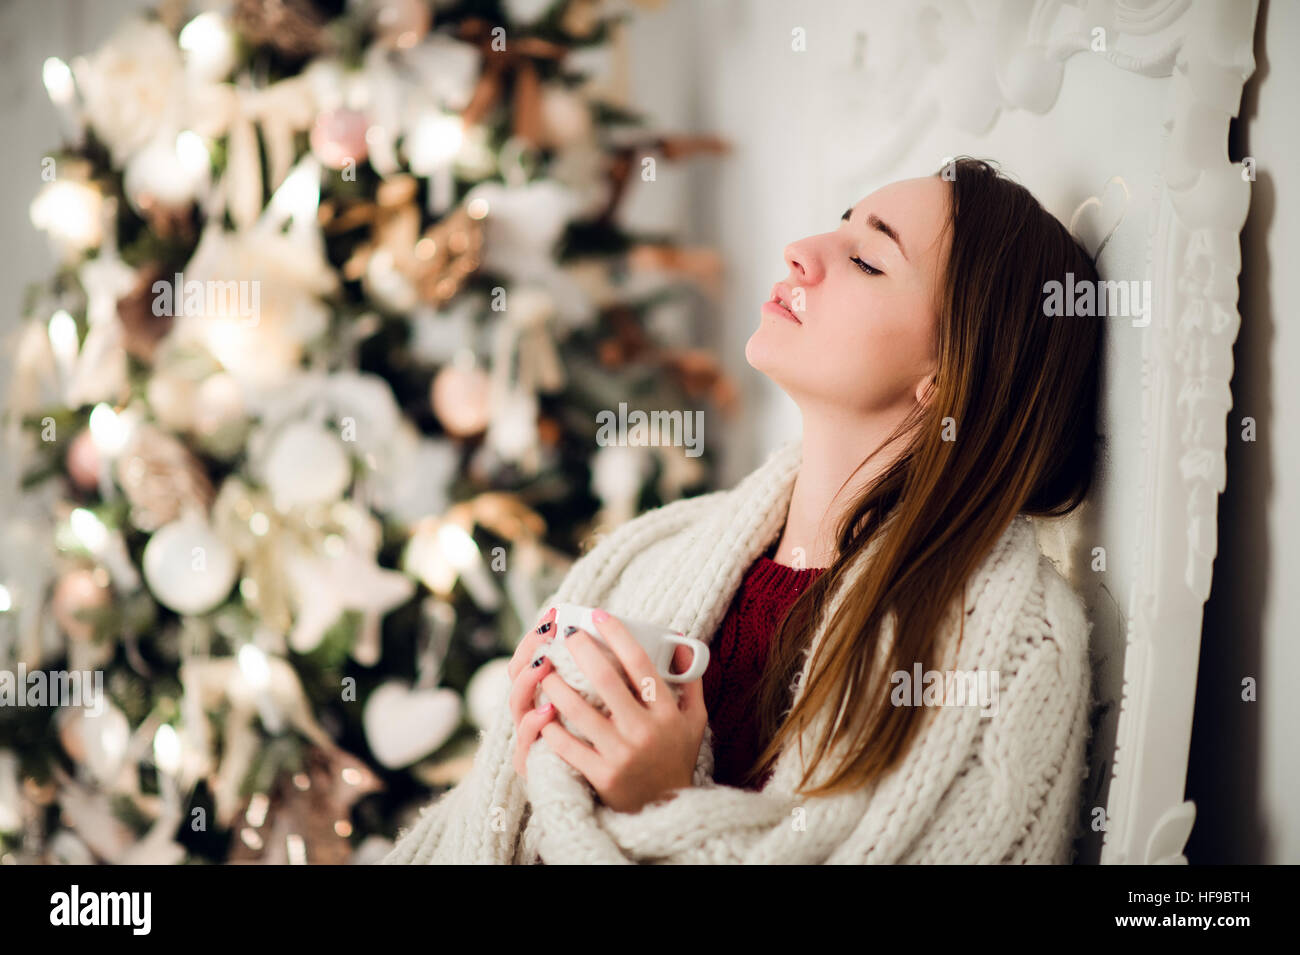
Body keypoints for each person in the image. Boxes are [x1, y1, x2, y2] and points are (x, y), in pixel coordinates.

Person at [383, 156, 1101, 864]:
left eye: (868, 260)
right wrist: (547, 749)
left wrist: (660, 802)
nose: (803, 252)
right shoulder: (659, 550)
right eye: (839, 224)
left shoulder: (1014, 652)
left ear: (948, 376)